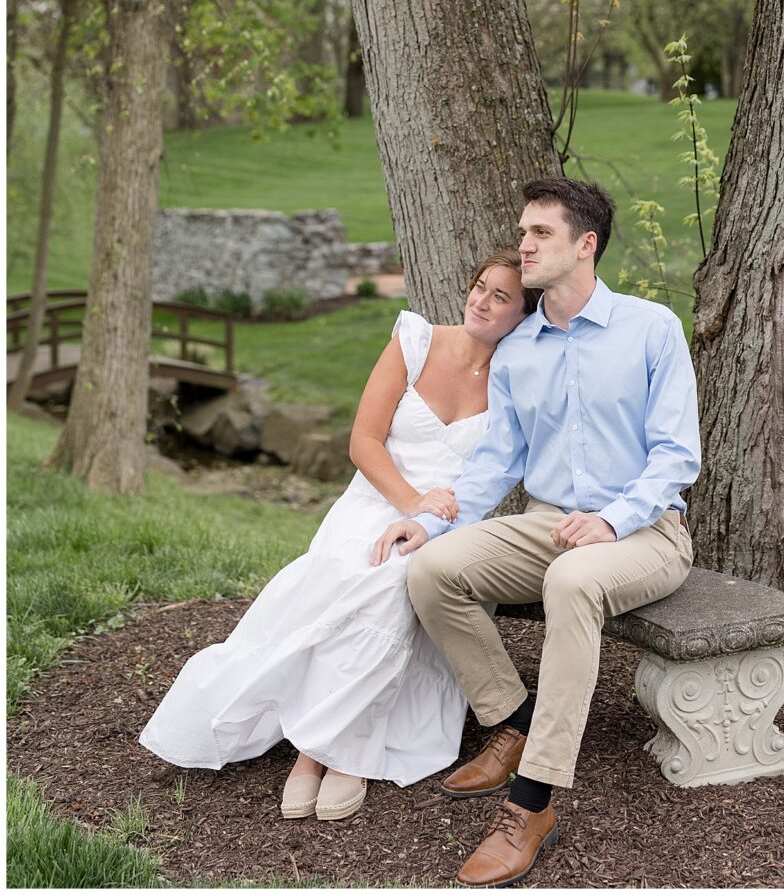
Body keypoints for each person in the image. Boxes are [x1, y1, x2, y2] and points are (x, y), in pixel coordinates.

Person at [373, 177, 701, 888]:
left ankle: (532, 802)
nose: (524, 245)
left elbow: (676, 455)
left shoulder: (652, 329)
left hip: (646, 530)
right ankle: (515, 718)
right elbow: (498, 463)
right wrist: (427, 521)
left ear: (586, 246)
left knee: (574, 581)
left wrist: (614, 518)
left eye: (541, 234)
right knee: (432, 571)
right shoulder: (522, 348)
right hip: (547, 523)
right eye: (522, 232)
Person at [139, 250, 537, 823]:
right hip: (377, 499)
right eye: (479, 287)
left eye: (501, 297)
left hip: (449, 524)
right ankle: (320, 750)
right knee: (363, 571)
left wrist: (431, 518)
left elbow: (499, 470)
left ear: (523, 315)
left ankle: (329, 751)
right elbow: (363, 442)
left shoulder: (517, 379)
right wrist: (409, 502)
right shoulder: (416, 340)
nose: (481, 301)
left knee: (401, 579)